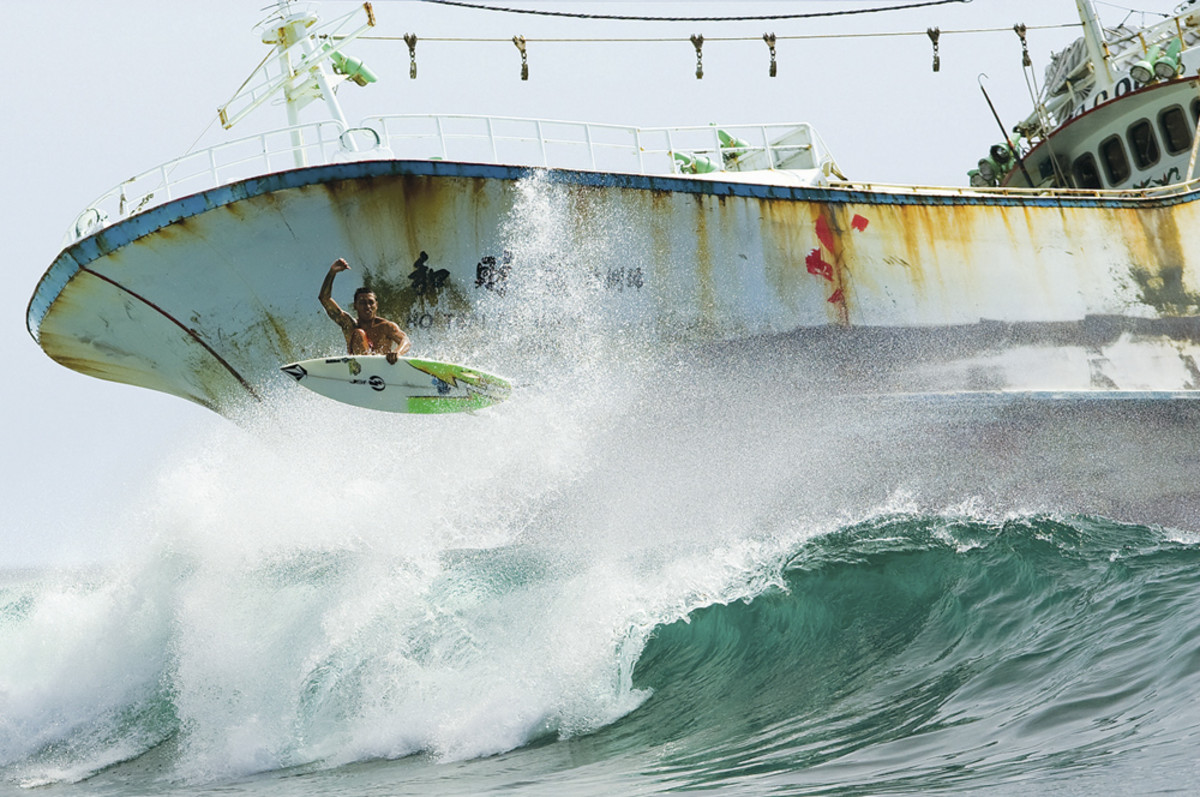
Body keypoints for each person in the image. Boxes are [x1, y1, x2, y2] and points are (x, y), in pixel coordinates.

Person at [318, 258, 411, 364]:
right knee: (359, 333)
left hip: (382, 370)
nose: (367, 306)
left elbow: (405, 341)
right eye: (362, 303)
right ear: (355, 306)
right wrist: (332, 272)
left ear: (377, 305)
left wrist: (397, 353)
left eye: (371, 302)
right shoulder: (349, 324)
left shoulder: (386, 326)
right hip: (358, 370)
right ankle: (366, 366)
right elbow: (324, 298)